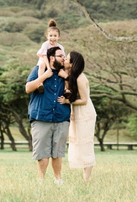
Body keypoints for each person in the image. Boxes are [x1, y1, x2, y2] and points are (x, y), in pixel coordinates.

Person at [26, 46, 71, 184]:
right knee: (42, 153)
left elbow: (76, 94)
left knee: (58, 152)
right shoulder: (39, 70)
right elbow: (28, 88)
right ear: (51, 58)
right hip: (41, 117)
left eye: (63, 56)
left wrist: (67, 77)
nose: (63, 58)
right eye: (60, 56)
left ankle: (58, 180)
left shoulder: (66, 74)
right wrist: (45, 76)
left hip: (61, 117)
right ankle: (41, 181)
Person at [57, 51, 96, 182]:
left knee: (85, 143)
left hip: (85, 113)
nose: (64, 60)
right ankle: (84, 176)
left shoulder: (80, 78)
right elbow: (70, 92)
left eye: (67, 59)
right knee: (78, 141)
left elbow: (84, 100)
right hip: (77, 112)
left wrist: (67, 102)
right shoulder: (72, 76)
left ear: (73, 63)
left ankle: (87, 179)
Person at [35, 19, 67, 95]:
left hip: (55, 63)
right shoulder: (45, 44)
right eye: (51, 36)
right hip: (45, 61)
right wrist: (49, 67)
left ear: (59, 37)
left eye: (55, 36)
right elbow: (44, 55)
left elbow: (63, 57)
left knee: (65, 70)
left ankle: (66, 88)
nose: (53, 38)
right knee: (42, 65)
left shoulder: (60, 47)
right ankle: (40, 83)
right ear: (47, 36)